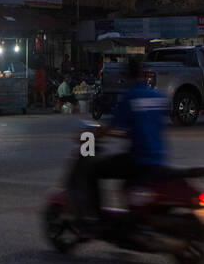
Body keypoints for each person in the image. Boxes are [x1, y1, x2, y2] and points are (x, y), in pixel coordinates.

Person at [72, 56, 169, 229]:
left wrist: (90, 137)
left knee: (94, 170)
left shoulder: (131, 97)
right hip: (160, 159)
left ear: (128, 76)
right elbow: (146, 126)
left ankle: (96, 220)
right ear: (144, 74)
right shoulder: (158, 96)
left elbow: (111, 127)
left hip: (139, 159)